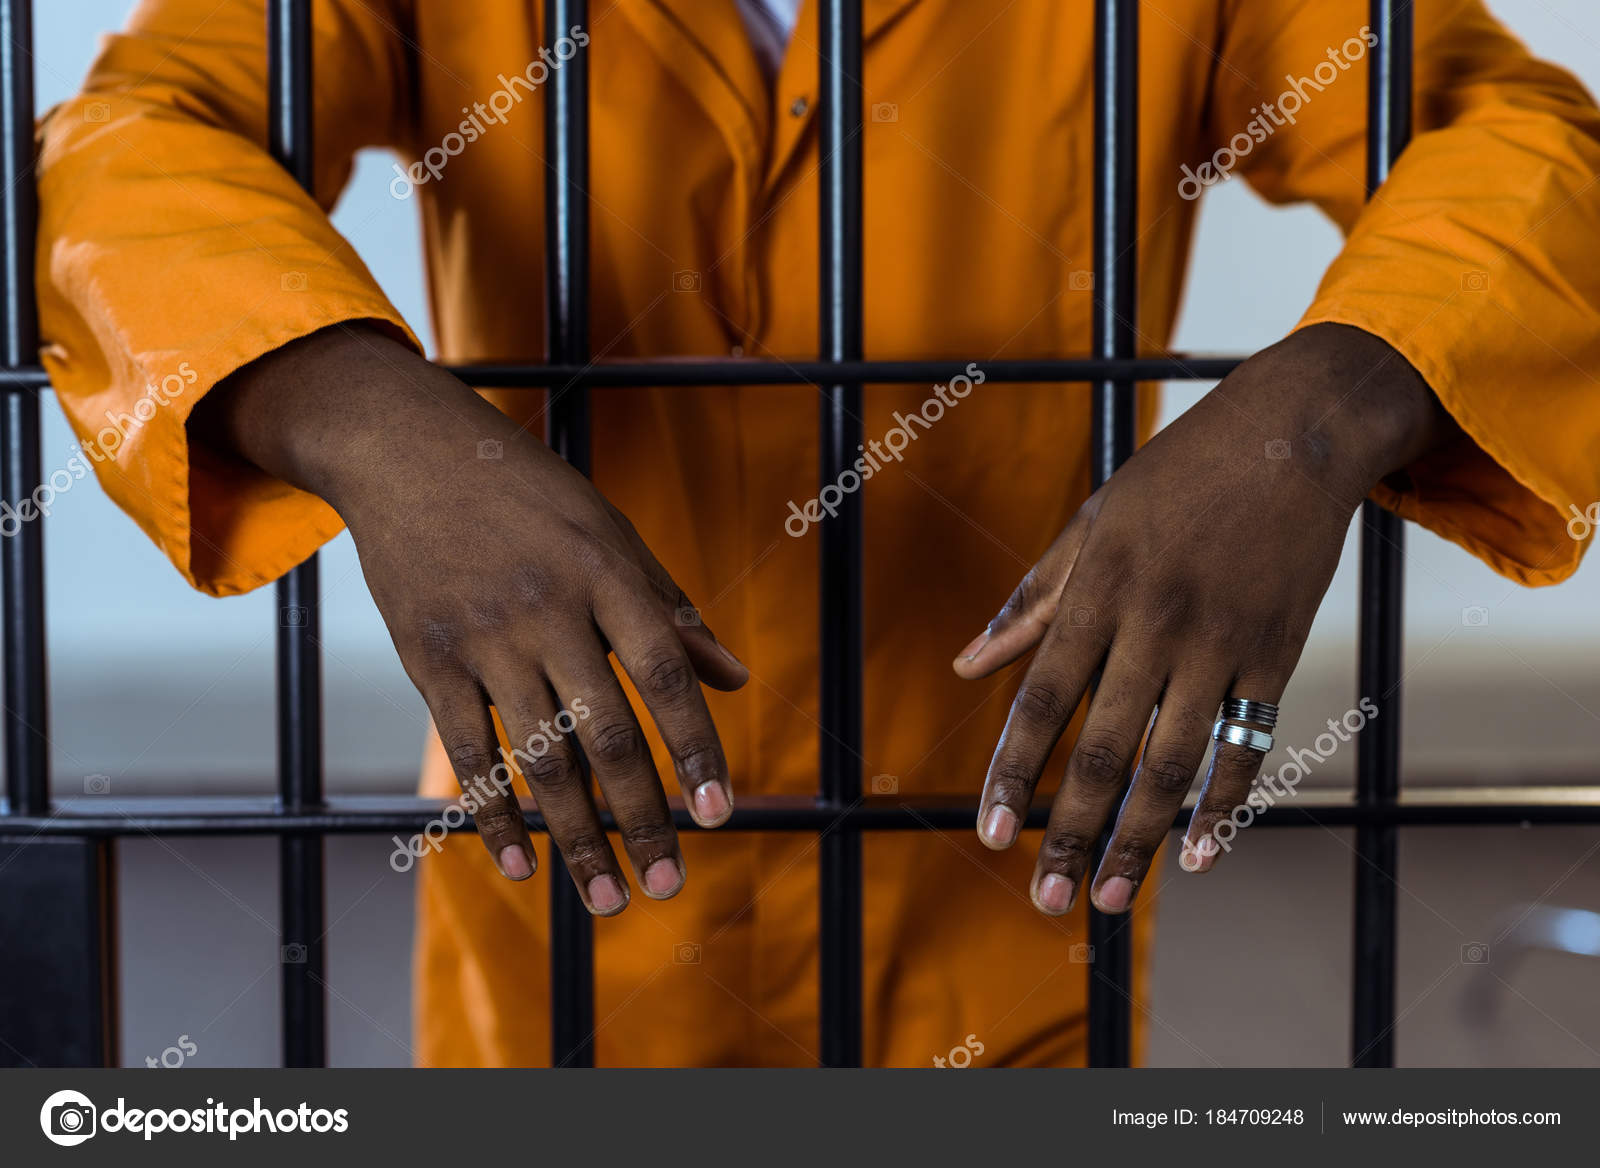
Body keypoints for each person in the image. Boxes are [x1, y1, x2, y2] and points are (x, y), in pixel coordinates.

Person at [36, 0, 1600, 1066]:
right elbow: (124, 141)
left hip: (999, 873)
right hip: (566, 846)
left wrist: (1314, 420)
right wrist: (366, 421)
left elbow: (1529, 144)